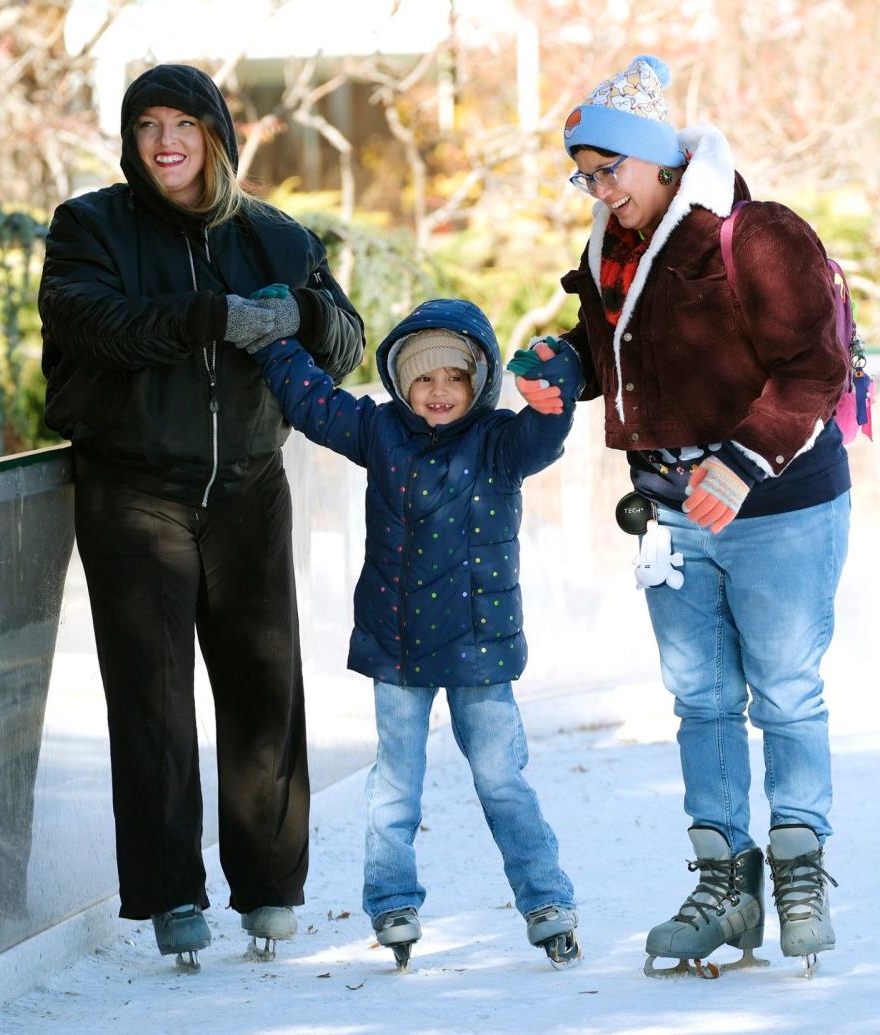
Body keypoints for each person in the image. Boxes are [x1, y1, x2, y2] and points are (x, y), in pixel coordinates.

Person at [522, 55, 851, 977]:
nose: (595, 189)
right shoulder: (608, 248)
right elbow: (614, 355)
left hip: (781, 500)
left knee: (786, 688)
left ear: (655, 160)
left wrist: (744, 464)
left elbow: (814, 368)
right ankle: (724, 884)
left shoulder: (757, 234)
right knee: (701, 700)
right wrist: (564, 369)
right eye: (583, 175)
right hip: (671, 512)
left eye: (605, 170)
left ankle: (798, 867)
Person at [38, 63, 364, 968]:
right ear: (130, 141)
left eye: (184, 123)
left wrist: (297, 309)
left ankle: (268, 886)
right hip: (132, 488)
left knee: (265, 691)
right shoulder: (90, 227)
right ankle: (171, 892)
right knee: (151, 696)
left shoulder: (273, 234)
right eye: (148, 125)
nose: (166, 141)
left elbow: (344, 340)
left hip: (249, 488)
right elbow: (90, 325)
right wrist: (210, 317)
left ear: (216, 133)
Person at [251, 297, 583, 970]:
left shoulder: (499, 441)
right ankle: (393, 901)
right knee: (397, 781)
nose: (437, 392)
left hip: (479, 646)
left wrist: (559, 386)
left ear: (477, 382)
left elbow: (546, 434)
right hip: (398, 643)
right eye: (423, 378)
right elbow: (315, 404)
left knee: (501, 778)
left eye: (453, 379)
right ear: (402, 381)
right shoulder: (380, 432)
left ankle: (546, 899)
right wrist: (272, 342)